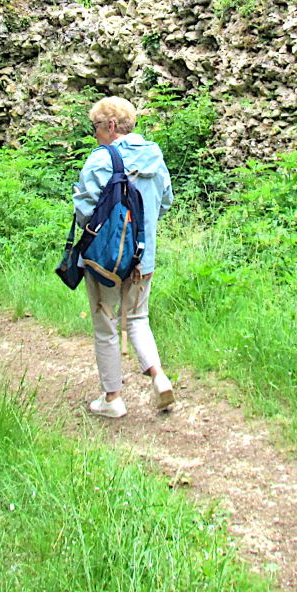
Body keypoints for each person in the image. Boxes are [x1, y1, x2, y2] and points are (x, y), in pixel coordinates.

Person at [72, 96, 176, 419]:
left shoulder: (101, 159)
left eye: (97, 127)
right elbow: (166, 202)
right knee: (138, 319)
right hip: (143, 259)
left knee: (106, 326)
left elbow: (83, 213)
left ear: (111, 126)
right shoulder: (155, 156)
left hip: (107, 262)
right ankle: (159, 378)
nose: (94, 135)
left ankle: (113, 398)